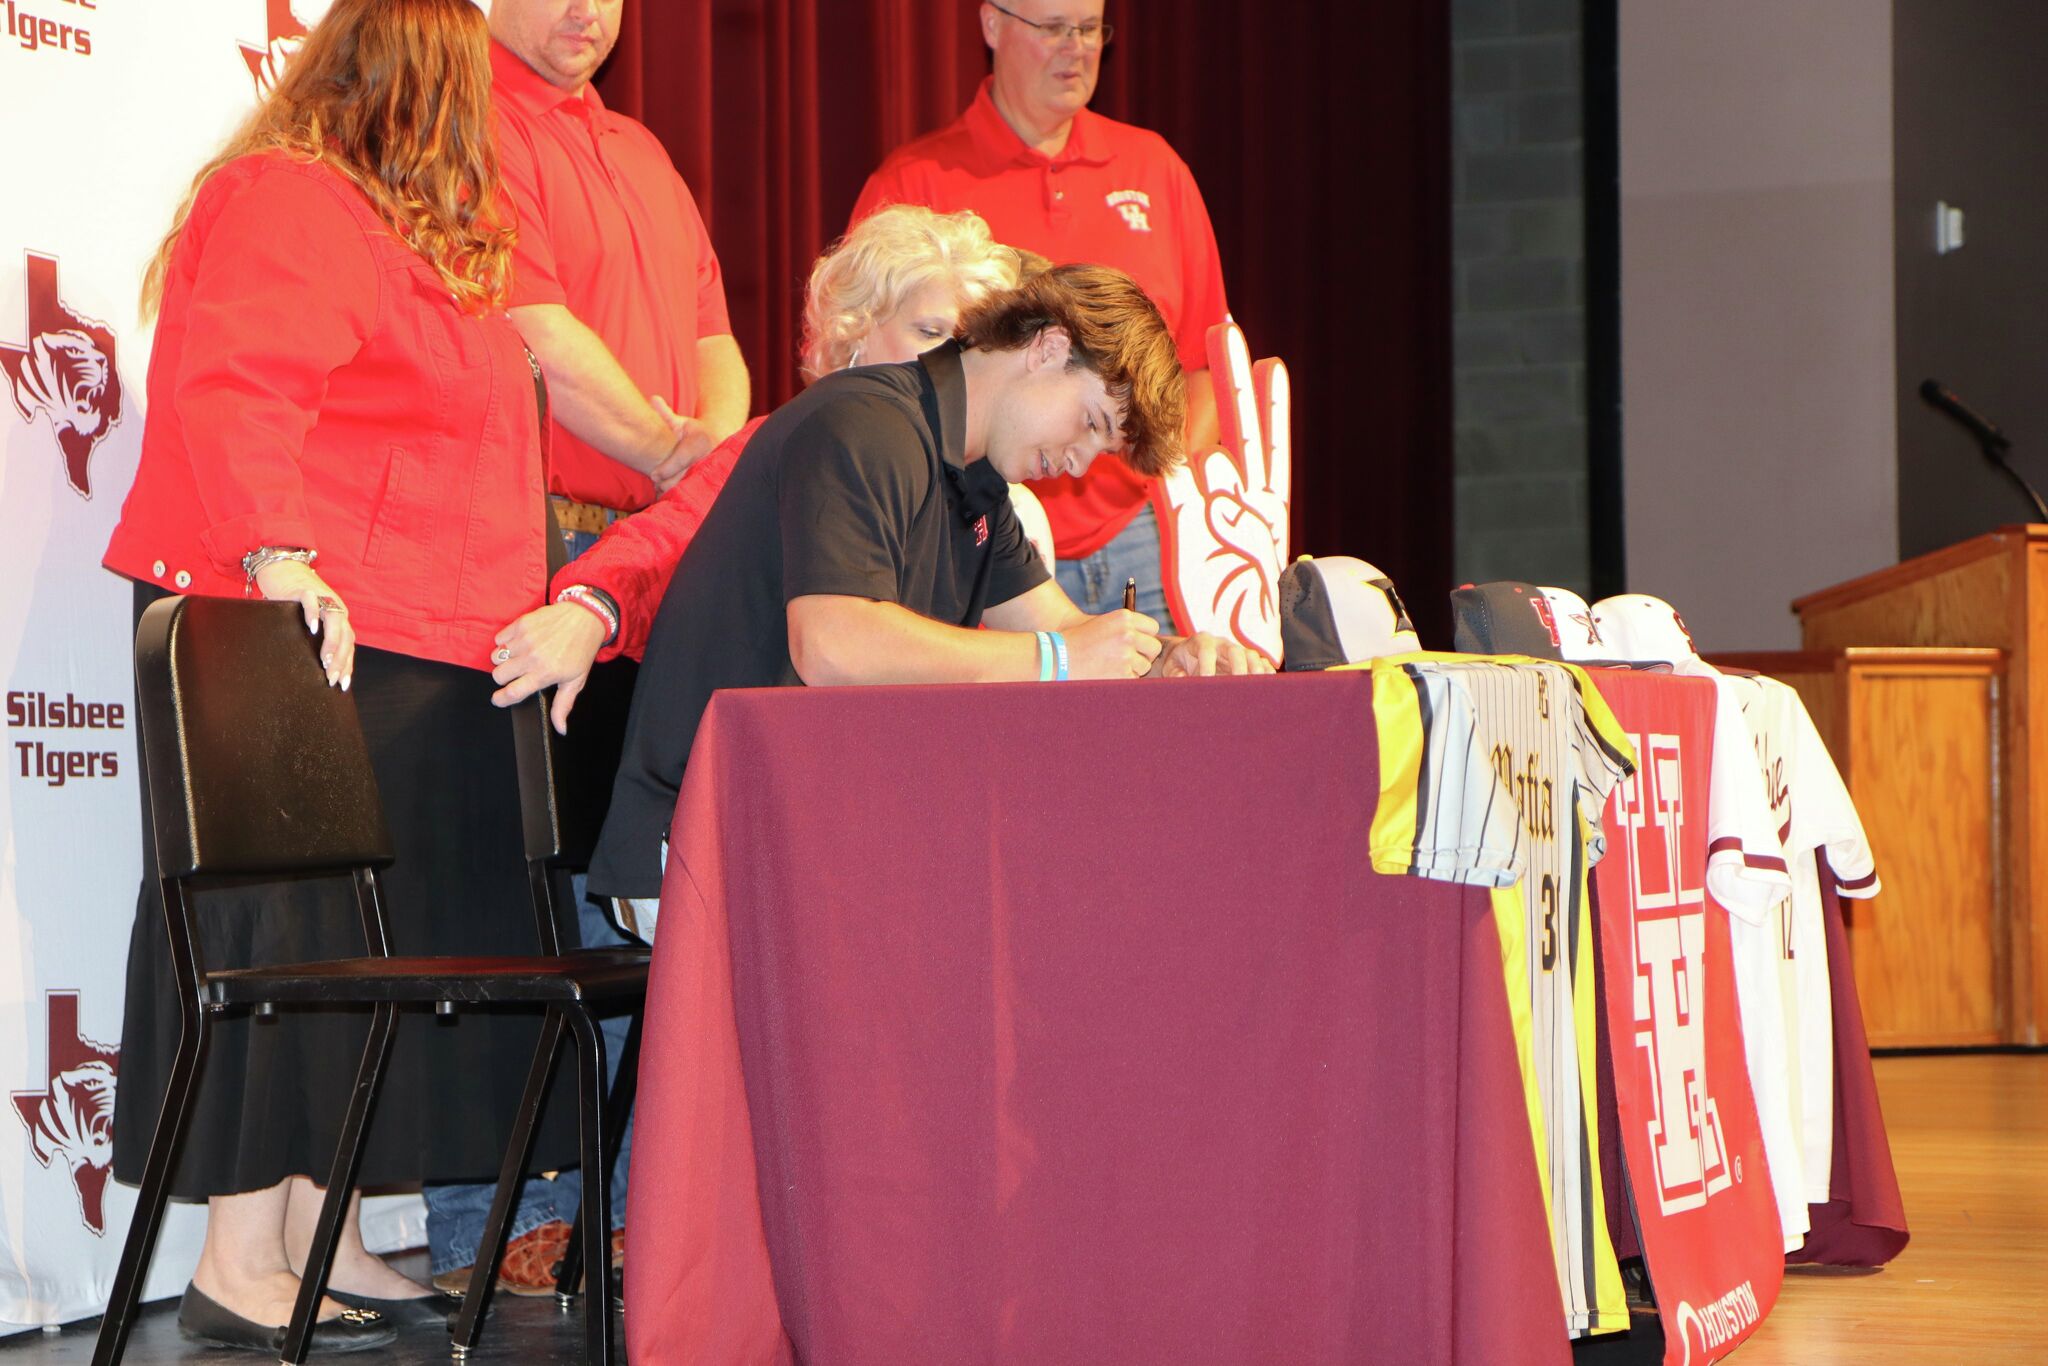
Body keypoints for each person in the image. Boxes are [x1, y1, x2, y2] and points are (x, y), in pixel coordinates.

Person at [100, 0, 564, 1350]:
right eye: (465, 90)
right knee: (286, 933)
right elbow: (236, 384)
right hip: (288, 610)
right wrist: (283, 556)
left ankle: (331, 1231)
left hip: (415, 638)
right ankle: (241, 1257)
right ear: (410, 85)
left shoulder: (407, 233)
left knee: (368, 944)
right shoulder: (289, 198)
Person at [568, 263, 1268, 907]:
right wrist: (1057, 660)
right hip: (703, 835)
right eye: (1091, 423)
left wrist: (1166, 662)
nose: (1081, 463)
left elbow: (1072, 638)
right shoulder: (864, 424)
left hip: (809, 837)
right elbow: (834, 645)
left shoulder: (979, 484)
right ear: (1049, 347)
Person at [413, 0, 753, 1294]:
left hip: (659, 558)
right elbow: (536, 337)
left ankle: (616, 1222)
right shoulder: (464, 121)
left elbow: (719, 346)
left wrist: (693, 463)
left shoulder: (646, 155)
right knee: (517, 896)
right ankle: (488, 1231)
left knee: (627, 889)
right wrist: (676, 453)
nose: (585, 7)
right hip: (527, 535)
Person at [488, 204, 1043, 729]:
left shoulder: (976, 488)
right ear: (855, 331)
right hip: (764, 759)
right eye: (928, 332)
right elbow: (670, 537)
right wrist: (592, 609)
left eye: (961, 343)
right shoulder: (797, 440)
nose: (946, 361)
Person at [852, 0, 1229, 631]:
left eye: (1090, 29)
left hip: (1140, 536)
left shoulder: (1155, 170)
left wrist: (1174, 494)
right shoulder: (917, 181)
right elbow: (859, 368)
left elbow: (1201, 365)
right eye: (1054, 27)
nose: (1077, 48)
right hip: (972, 534)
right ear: (992, 25)